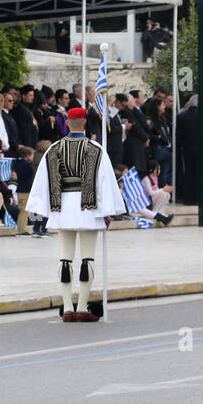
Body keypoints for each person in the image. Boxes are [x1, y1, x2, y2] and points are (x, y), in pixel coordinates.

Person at [27, 108, 126, 322]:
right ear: (84, 123)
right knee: (87, 257)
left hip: (63, 209)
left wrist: (45, 208)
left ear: (69, 123)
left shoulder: (54, 149)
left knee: (65, 258)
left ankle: (67, 306)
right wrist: (108, 212)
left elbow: (43, 183)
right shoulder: (95, 149)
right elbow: (104, 183)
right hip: (89, 210)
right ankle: (82, 306)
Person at [120, 89, 151, 176]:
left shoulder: (135, 111)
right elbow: (135, 126)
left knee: (141, 169)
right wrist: (145, 138)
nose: (135, 101)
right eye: (133, 99)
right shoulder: (126, 112)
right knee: (135, 169)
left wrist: (146, 137)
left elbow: (142, 125)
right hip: (133, 144)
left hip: (140, 143)